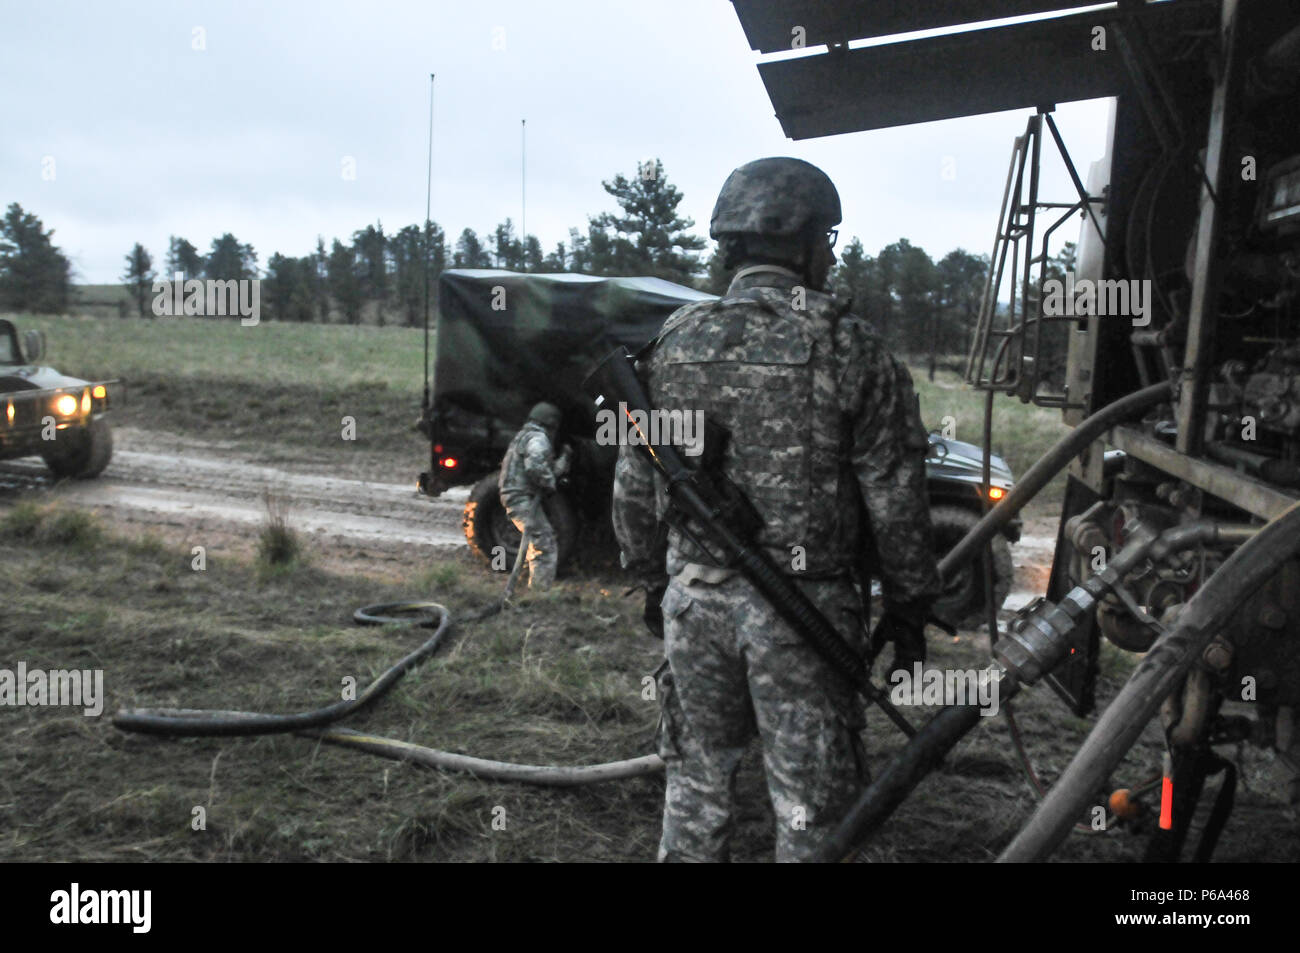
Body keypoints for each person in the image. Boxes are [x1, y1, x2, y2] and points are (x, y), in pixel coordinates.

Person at [611, 157, 941, 862]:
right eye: (829, 239)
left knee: (697, 786)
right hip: (806, 614)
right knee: (809, 812)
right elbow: (894, 496)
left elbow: (635, 484)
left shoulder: (674, 341)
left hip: (694, 604)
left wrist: (650, 577)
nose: (832, 254)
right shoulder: (848, 344)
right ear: (803, 243)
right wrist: (909, 608)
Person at [498, 401, 567, 590]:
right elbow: (536, 466)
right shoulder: (538, 438)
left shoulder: (524, 436)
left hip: (515, 495)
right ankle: (538, 593)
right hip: (520, 498)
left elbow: (541, 466)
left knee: (535, 542)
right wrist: (550, 483)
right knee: (544, 544)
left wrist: (560, 464)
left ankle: (526, 585)